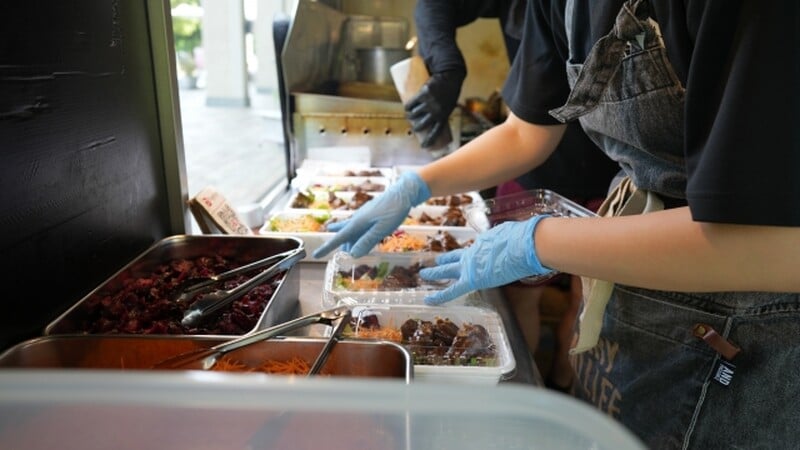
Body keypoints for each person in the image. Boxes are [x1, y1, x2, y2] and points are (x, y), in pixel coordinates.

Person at [315, 0, 800, 447]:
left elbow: (775, 248)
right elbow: (525, 132)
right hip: (639, 282)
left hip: (752, 327)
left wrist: (539, 240)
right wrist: (419, 183)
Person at [407, 0, 620, 391]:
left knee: (591, 303)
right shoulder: (543, 9)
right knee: (523, 295)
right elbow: (435, 6)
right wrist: (446, 67)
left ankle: (563, 390)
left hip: (615, 178)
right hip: (529, 167)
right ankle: (528, 389)